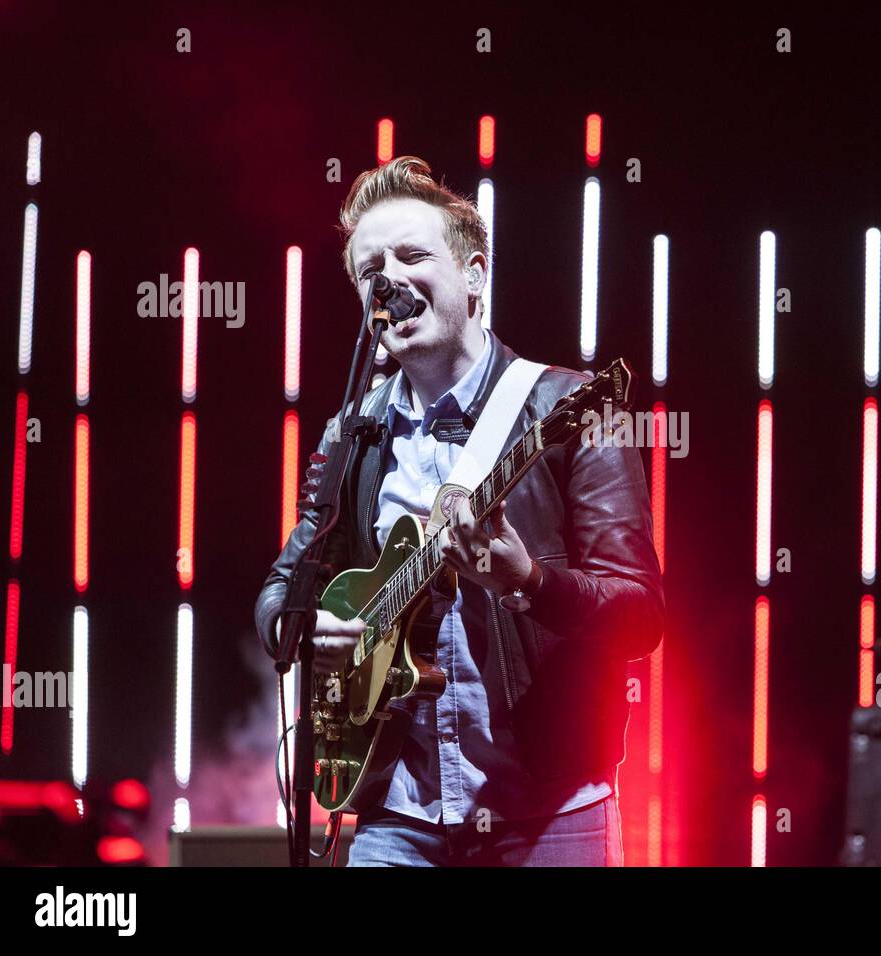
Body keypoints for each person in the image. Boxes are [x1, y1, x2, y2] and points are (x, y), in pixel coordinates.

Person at [254, 156, 664, 866]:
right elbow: (282, 590)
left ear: (476, 276)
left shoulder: (569, 410)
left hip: (548, 809)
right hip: (396, 810)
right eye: (369, 269)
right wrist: (304, 628)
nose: (388, 279)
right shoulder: (353, 432)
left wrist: (527, 582)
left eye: (413, 255)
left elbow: (640, 615)